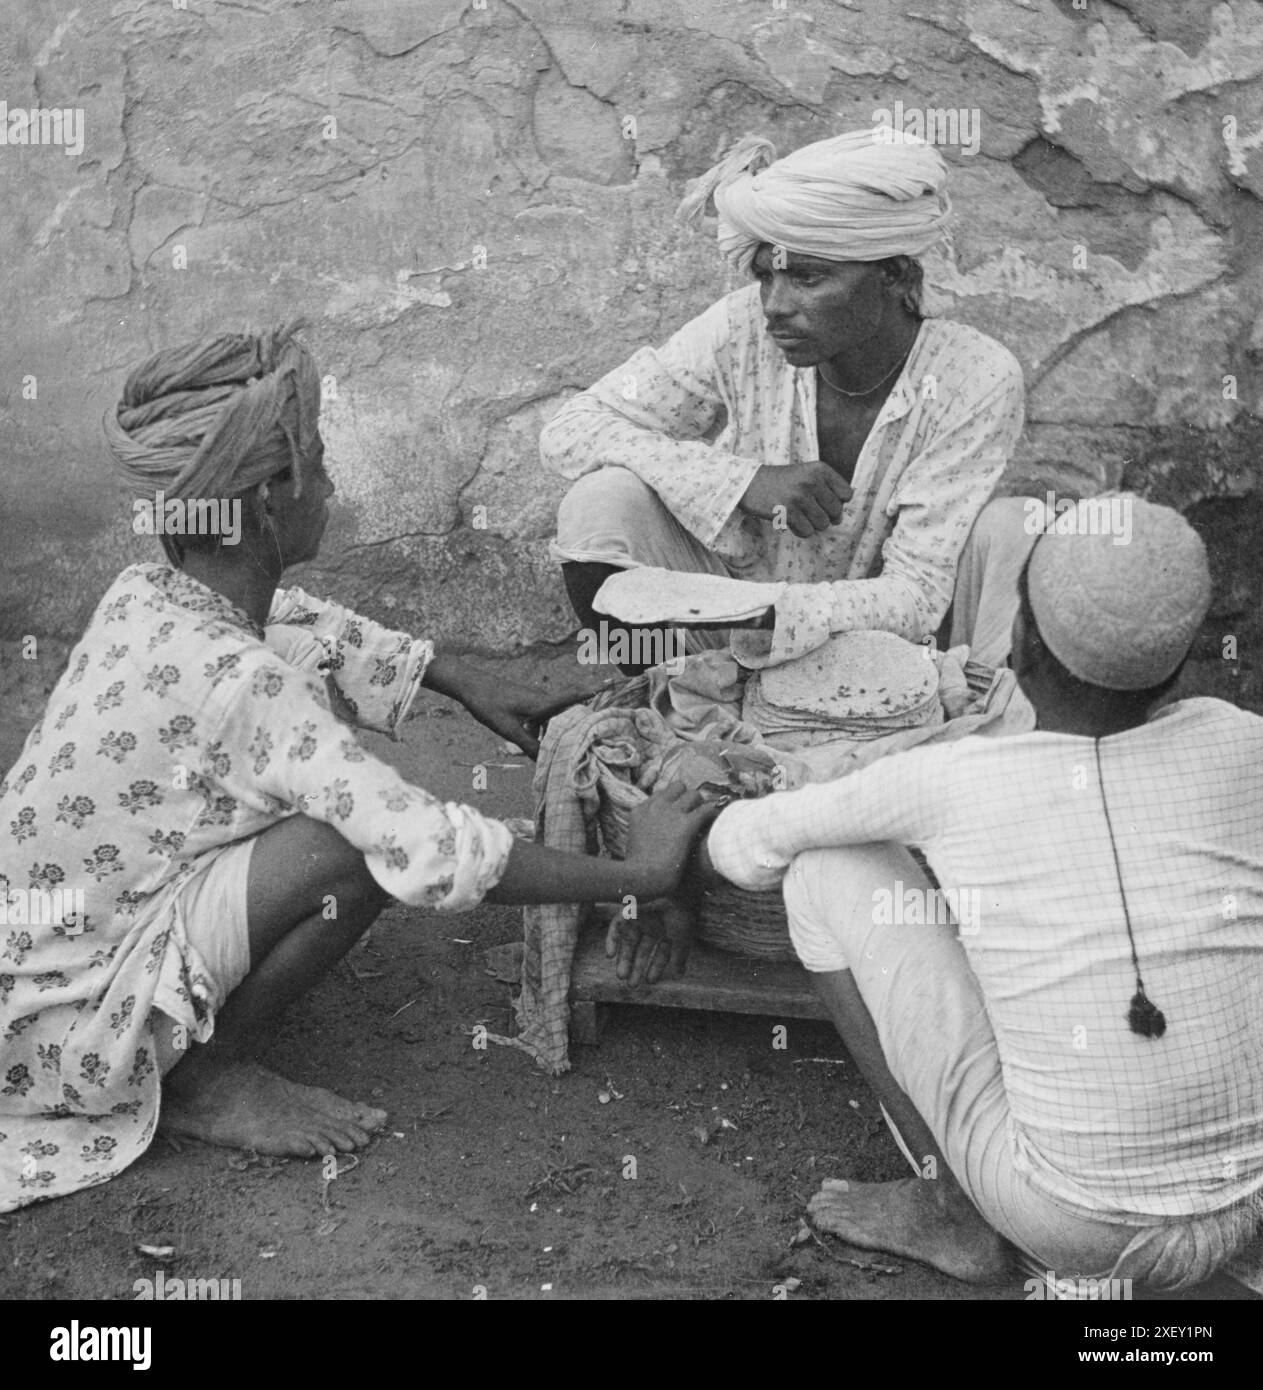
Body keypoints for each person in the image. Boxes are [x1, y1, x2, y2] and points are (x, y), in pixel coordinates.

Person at [0, 325, 714, 1213]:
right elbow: (424, 849)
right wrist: (637, 872)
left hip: (23, 981)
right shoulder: (248, 688)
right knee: (342, 846)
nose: (332, 485)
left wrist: (454, 674)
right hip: (68, 1041)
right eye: (322, 463)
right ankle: (207, 1079)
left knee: (308, 796)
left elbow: (292, 619)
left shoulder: (143, 596)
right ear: (269, 501)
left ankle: (191, 1031)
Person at [699, 496, 1263, 1291]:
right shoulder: (1239, 740)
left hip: (1074, 1222)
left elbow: (742, 848)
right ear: (1179, 661)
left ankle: (950, 1208)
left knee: (822, 870)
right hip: (1254, 1197)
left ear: (1019, 647)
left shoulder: (954, 779)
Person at [542, 127, 1032, 673]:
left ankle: (968, 730)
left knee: (1017, 528)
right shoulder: (742, 328)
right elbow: (570, 430)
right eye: (764, 277)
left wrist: (764, 613)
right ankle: (675, 704)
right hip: (732, 631)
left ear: (892, 274)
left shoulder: (975, 376)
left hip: (890, 653)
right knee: (601, 501)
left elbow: (915, 596)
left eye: (807, 278)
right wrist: (739, 483)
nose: (775, 306)